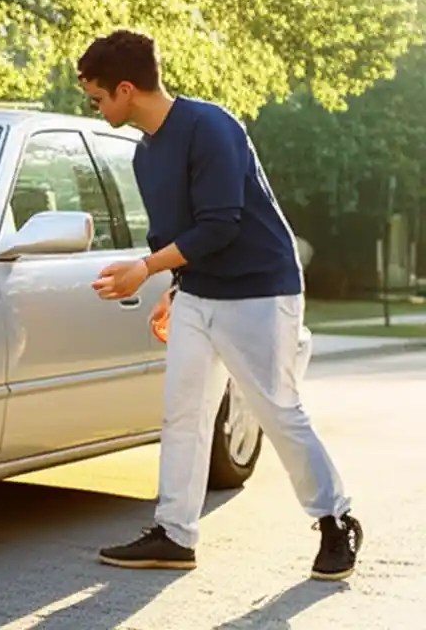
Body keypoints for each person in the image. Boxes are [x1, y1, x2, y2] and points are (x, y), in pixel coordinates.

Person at [77, 29, 362, 581]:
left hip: (260, 289)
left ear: (127, 89)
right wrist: (171, 287)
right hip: (199, 294)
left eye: (97, 97)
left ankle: (335, 520)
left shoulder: (211, 127)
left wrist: (145, 270)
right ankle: (175, 534)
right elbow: (177, 236)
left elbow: (220, 224)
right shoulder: (144, 154)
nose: (95, 107)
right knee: (183, 412)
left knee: (277, 409)